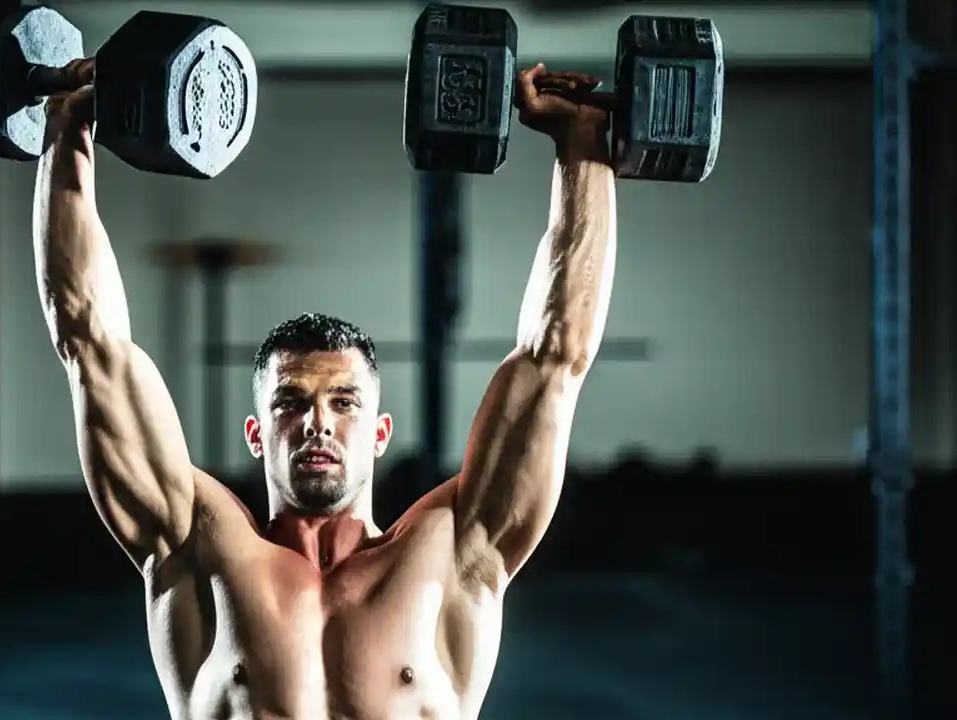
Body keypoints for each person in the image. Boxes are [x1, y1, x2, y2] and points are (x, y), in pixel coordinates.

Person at [33, 59, 615, 720]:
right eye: (290, 404)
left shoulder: (454, 551)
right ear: (256, 433)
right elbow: (91, 343)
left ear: (379, 432)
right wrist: (67, 134)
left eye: (345, 403)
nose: (318, 423)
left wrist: (582, 147)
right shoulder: (199, 548)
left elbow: (556, 357)